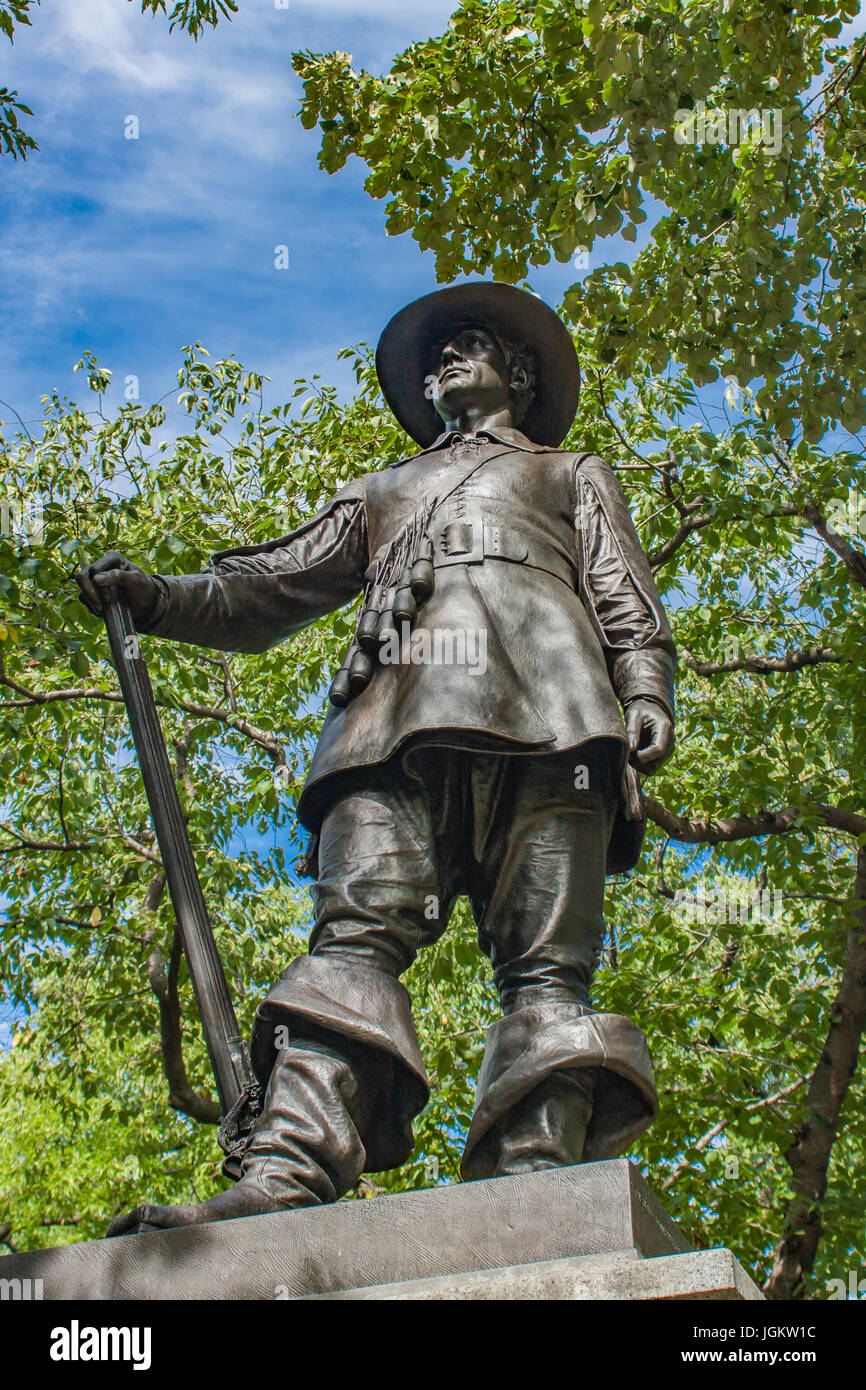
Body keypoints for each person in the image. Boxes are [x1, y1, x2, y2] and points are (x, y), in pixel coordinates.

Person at [75, 282, 676, 1235]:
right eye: (435, 356)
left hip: (560, 720)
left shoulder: (572, 474)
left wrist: (645, 688)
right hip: (395, 725)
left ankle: (539, 1174)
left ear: (516, 375)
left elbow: (625, 599)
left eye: (467, 347)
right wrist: (156, 597)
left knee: (548, 968)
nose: (444, 361)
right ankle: (286, 1169)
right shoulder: (382, 493)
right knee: (352, 939)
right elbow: (265, 586)